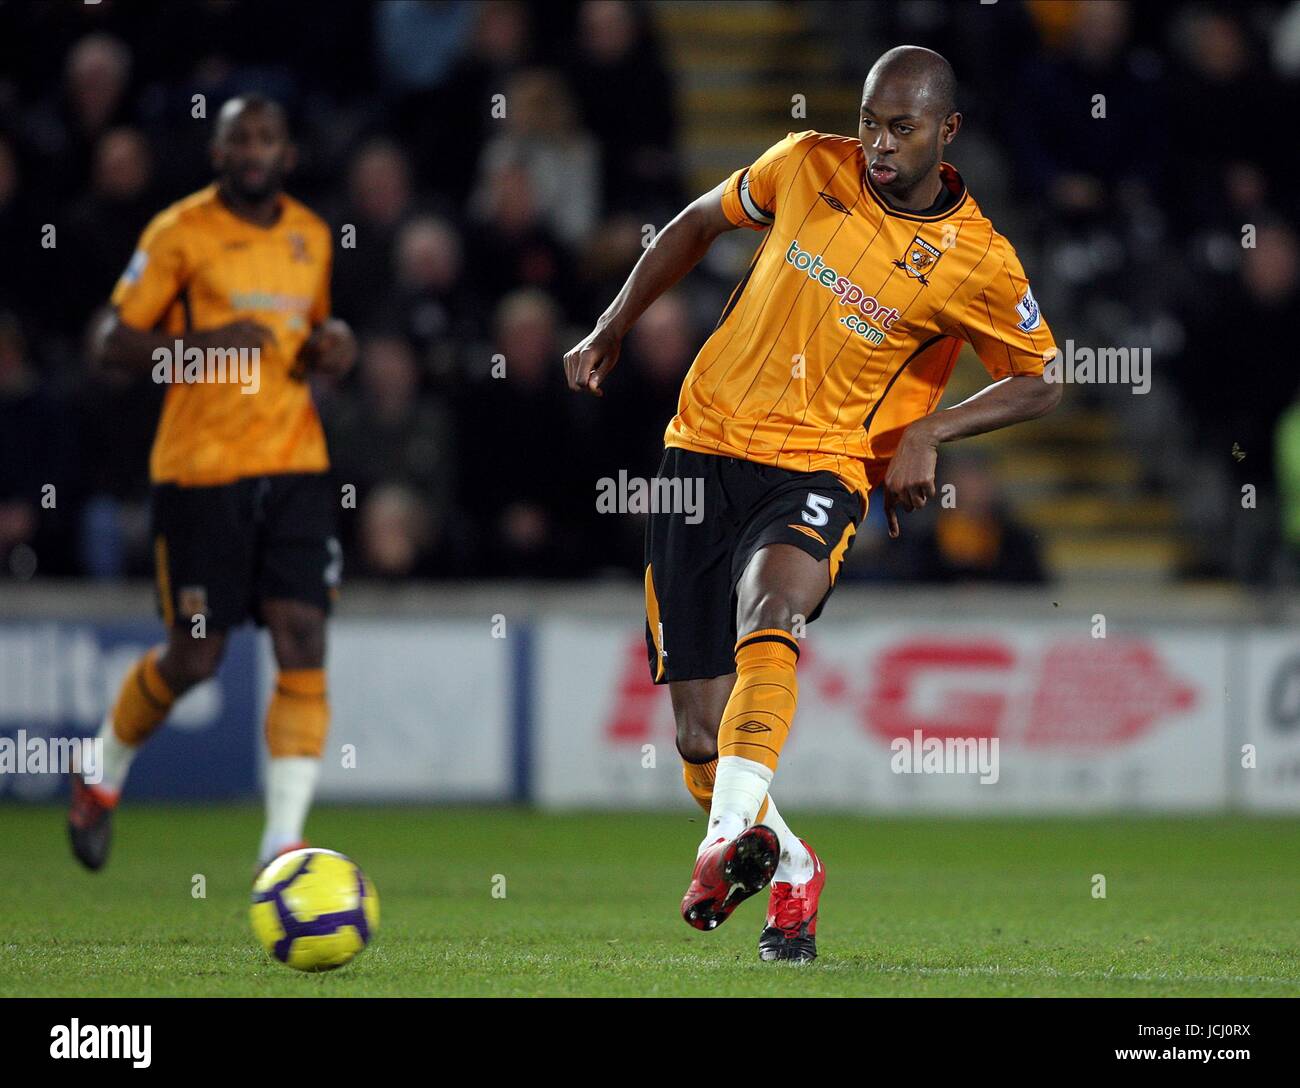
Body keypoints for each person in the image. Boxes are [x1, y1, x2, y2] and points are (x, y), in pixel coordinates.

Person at [564, 46, 1061, 962]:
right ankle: (787, 865)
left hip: (822, 464)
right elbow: (694, 222)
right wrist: (613, 322)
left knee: (774, 604)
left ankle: (723, 847)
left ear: (947, 131)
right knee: (699, 739)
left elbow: (1043, 378)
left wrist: (930, 432)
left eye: (901, 127)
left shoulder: (978, 259)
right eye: (869, 119)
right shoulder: (805, 165)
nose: (876, 142)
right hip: (699, 447)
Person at [67, 94, 357, 872]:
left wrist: (336, 347)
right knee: (195, 658)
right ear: (219, 154)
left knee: (303, 637)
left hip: (296, 465)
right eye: (240, 139)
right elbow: (107, 343)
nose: (255, 150)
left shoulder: (311, 235)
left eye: (268, 137)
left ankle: (283, 844)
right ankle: (101, 775)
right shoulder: (179, 233)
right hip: (200, 473)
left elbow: (315, 335)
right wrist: (200, 345)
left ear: (288, 155)